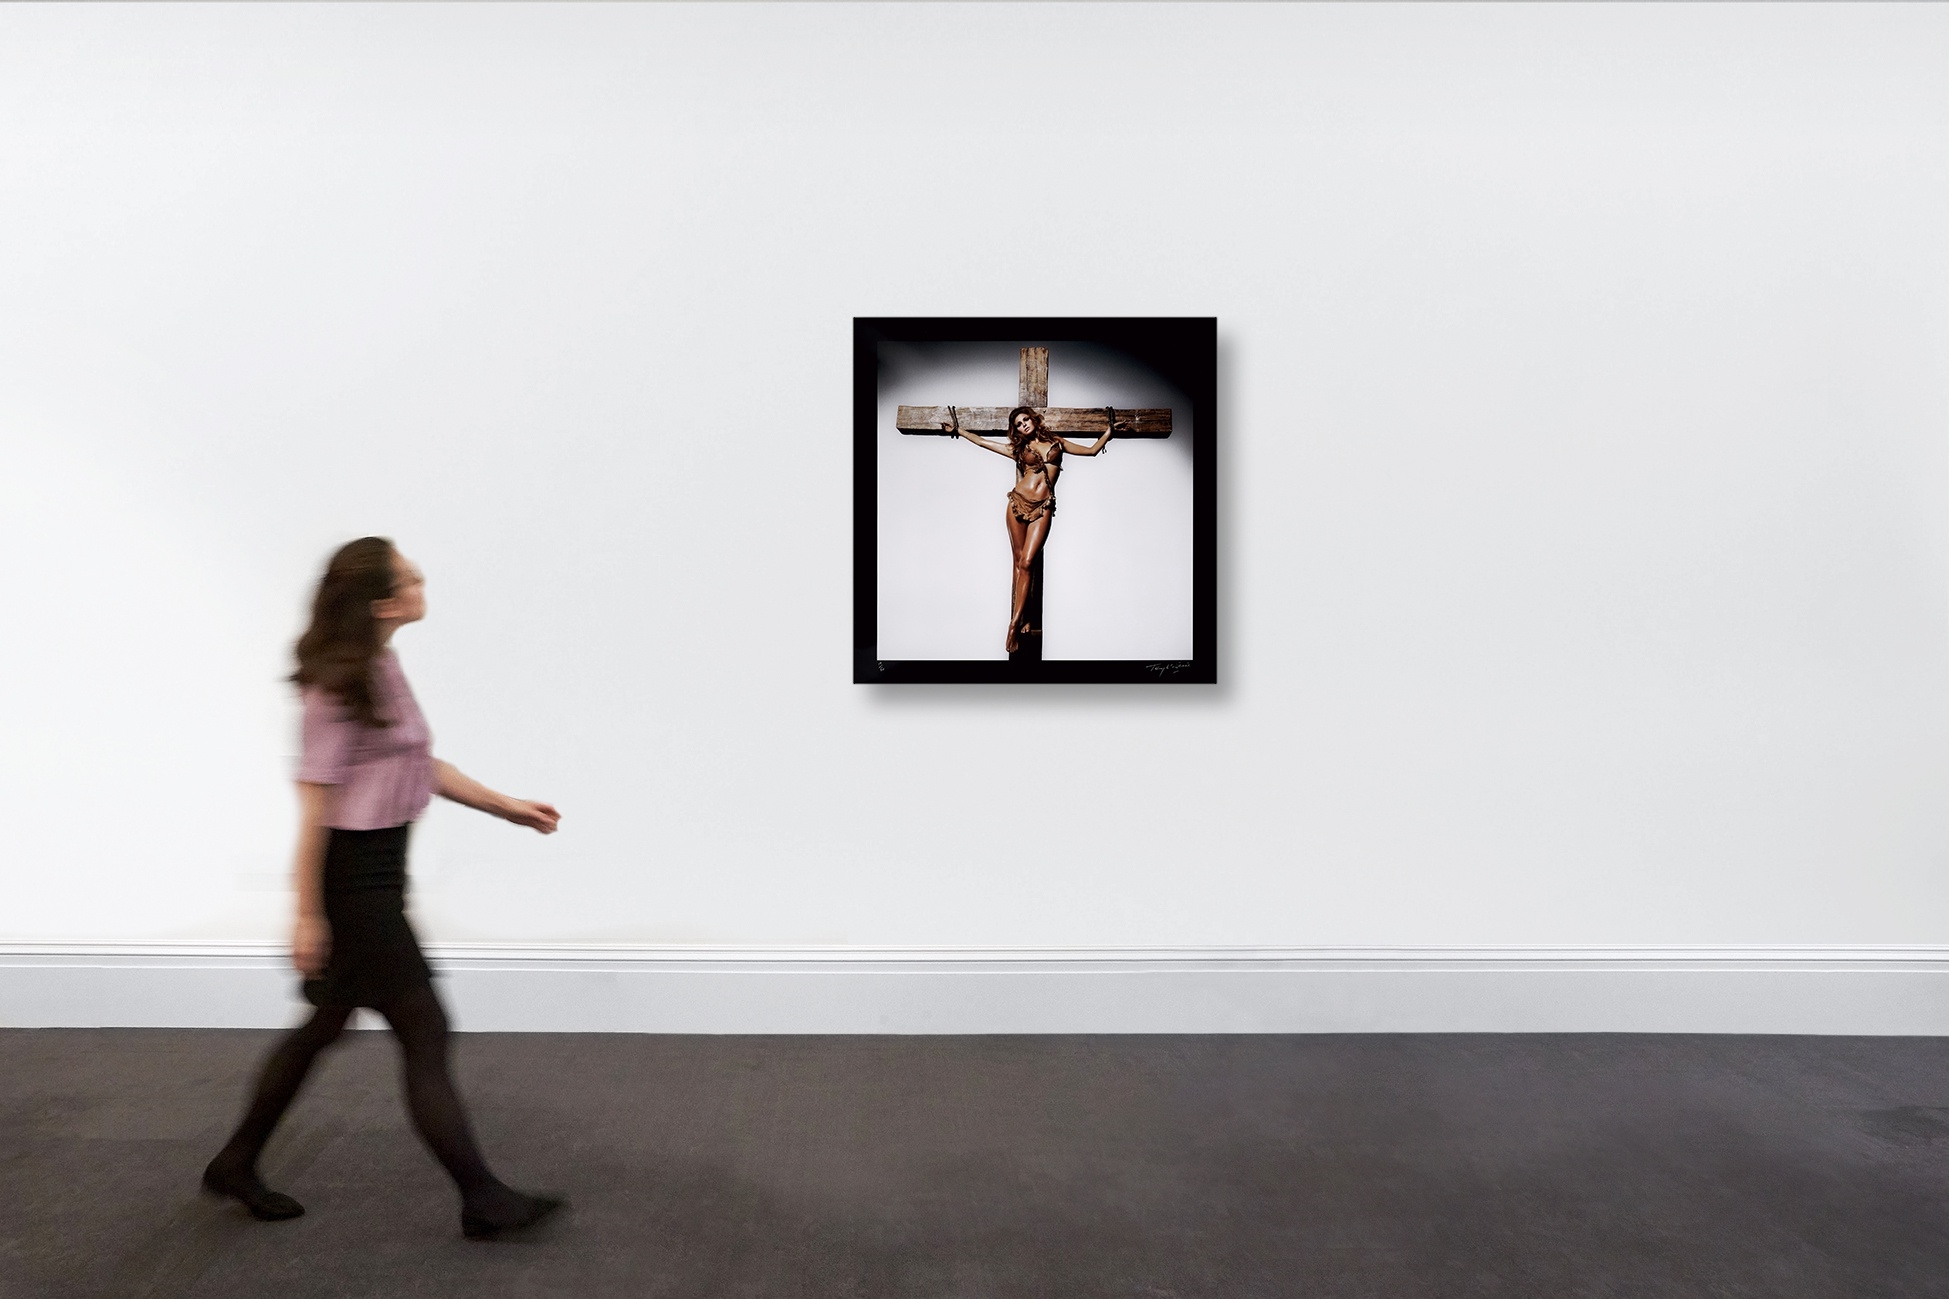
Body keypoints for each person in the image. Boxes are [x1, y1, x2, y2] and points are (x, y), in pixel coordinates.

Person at [201, 536, 564, 1240]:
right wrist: (307, 914)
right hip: (353, 882)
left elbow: (417, 761)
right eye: (411, 578)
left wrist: (506, 806)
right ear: (383, 601)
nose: (423, 584)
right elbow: (313, 808)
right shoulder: (335, 686)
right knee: (424, 1028)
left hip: (381, 871)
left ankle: (235, 1161)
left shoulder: (382, 664)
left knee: (323, 1026)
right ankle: (483, 1198)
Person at [944, 404, 1119, 651]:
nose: (1024, 424)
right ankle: (1019, 621)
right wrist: (958, 430)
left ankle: (1013, 625)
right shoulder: (1019, 449)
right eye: (1018, 424)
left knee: (1027, 563)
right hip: (1018, 502)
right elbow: (984, 443)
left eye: (1026, 419)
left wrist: (1108, 432)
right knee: (1018, 563)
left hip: (1044, 507)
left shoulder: (1057, 442)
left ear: (1034, 420)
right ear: (1016, 431)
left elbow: (1091, 451)